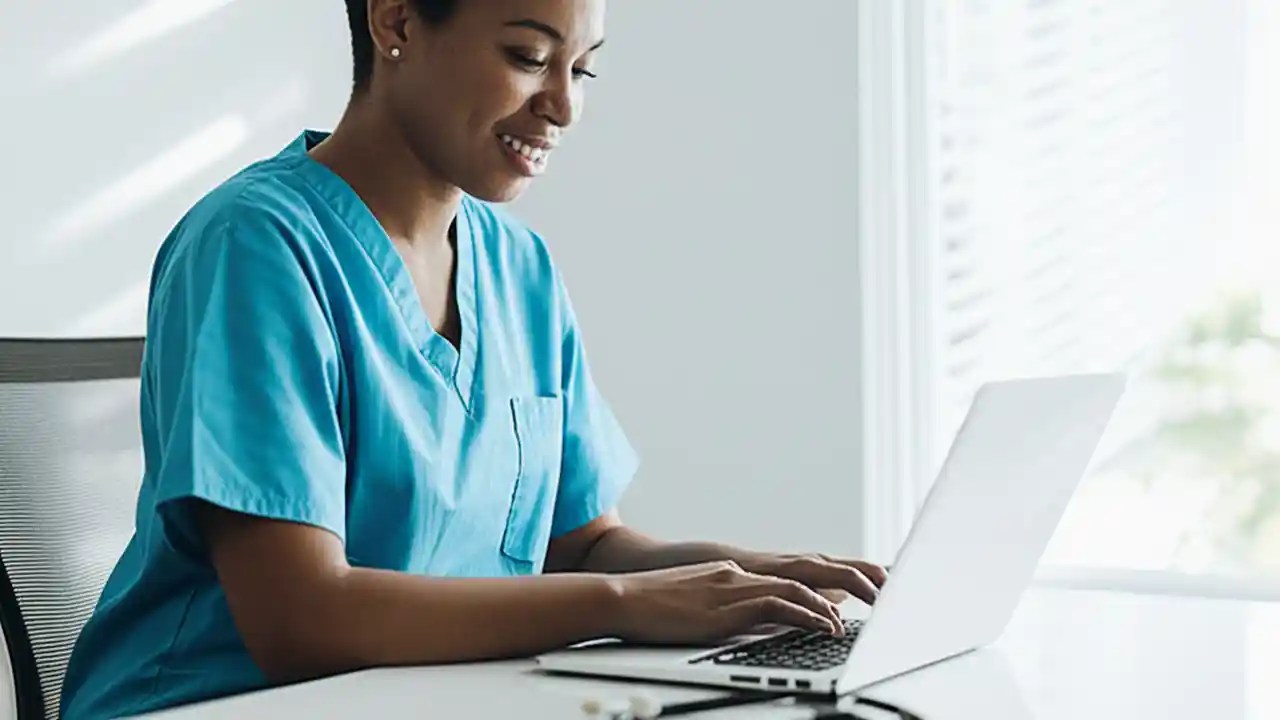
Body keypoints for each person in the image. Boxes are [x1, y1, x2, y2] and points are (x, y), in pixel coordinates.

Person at [59, 1, 887, 717]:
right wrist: (626, 605)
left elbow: (583, 543)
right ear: (398, 20)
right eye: (529, 58)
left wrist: (739, 573)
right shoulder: (258, 247)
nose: (562, 106)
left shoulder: (519, 269)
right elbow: (299, 620)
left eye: (584, 70)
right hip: (217, 706)